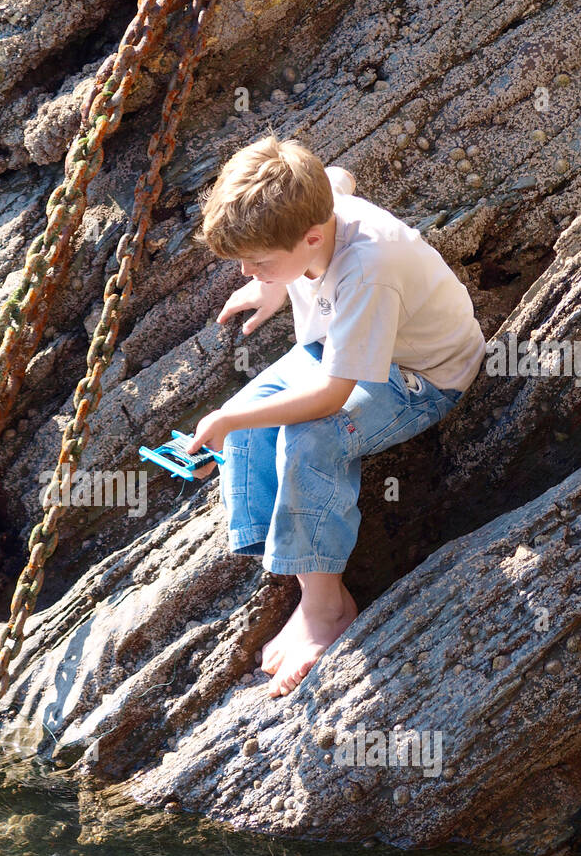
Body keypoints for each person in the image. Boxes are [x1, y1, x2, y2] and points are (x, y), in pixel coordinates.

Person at [186, 133, 485, 697]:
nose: (250, 271)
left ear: (314, 237)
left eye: (259, 263)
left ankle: (326, 606)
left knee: (308, 435)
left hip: (420, 375)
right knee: (245, 413)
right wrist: (276, 286)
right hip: (341, 343)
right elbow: (339, 175)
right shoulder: (320, 203)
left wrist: (228, 425)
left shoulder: (368, 268)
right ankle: (294, 562)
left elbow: (329, 400)